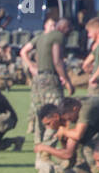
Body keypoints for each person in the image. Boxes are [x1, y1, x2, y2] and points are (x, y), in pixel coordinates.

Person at [20, 16, 72, 144]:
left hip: (38, 79)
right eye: (69, 28)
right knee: (57, 113)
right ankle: (47, 149)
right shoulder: (57, 36)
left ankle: (39, 145)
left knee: (40, 113)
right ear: (64, 27)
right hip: (50, 79)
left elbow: (23, 51)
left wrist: (32, 65)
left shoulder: (41, 37)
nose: (70, 31)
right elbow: (57, 61)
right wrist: (67, 81)